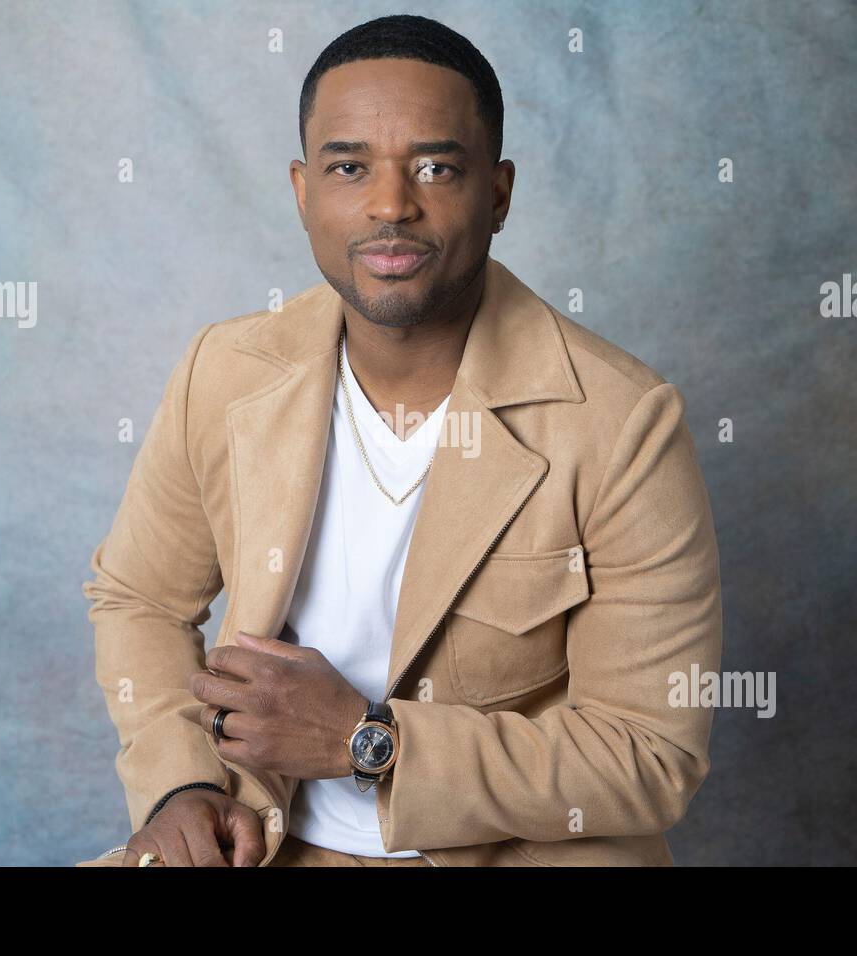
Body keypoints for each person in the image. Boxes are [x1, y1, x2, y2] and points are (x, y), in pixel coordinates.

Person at [79, 13, 722, 868]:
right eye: (350, 168)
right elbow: (139, 600)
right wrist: (181, 785)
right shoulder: (224, 372)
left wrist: (365, 741)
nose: (390, 204)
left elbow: (650, 755)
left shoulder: (623, 422)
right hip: (265, 842)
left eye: (435, 167)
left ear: (498, 194)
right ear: (304, 192)